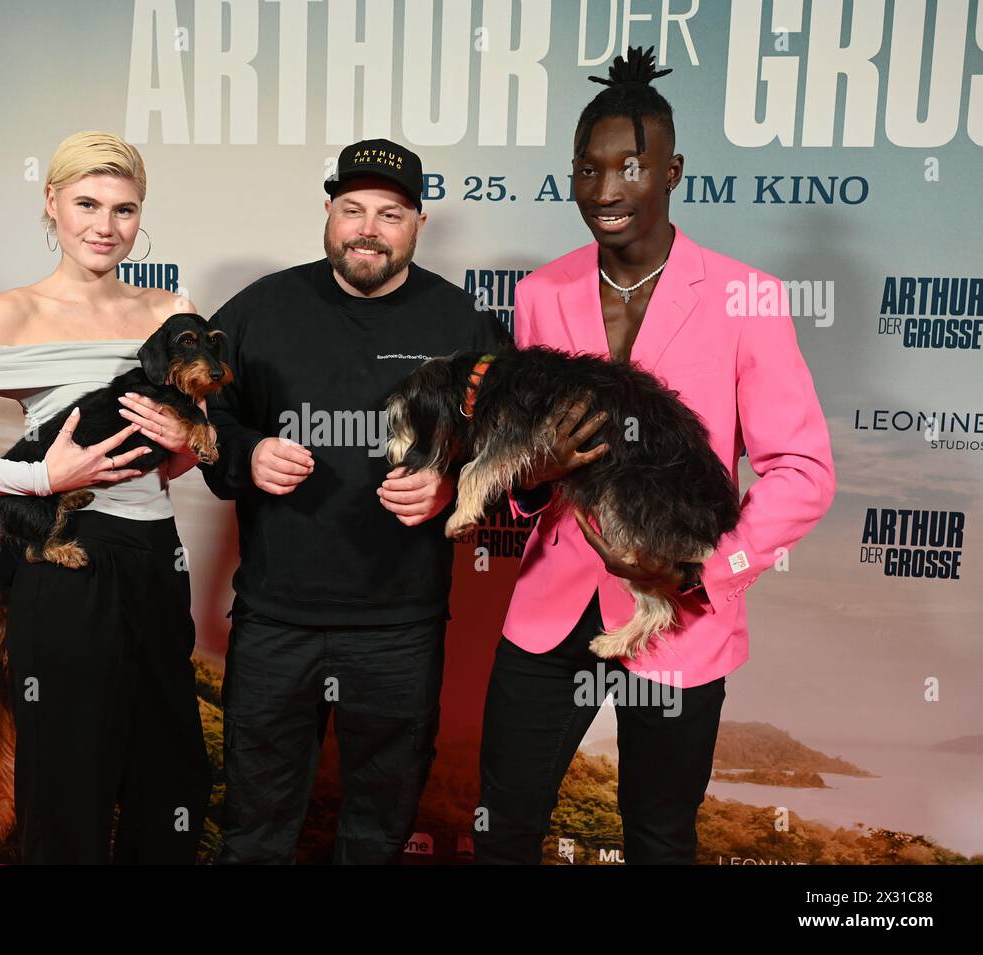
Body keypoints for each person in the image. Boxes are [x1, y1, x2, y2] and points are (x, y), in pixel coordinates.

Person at [472, 47, 837, 864]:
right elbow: (530, 467)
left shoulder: (749, 297)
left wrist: (707, 570)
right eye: (587, 169)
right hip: (551, 606)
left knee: (660, 835)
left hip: (680, 610)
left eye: (630, 166)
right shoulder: (541, 293)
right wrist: (529, 480)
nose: (605, 190)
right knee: (503, 821)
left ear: (671, 170)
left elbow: (803, 470)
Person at [0, 131, 212, 864]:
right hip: (64, 566)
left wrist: (181, 442)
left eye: (125, 209)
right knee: (67, 788)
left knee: (173, 782)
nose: (105, 226)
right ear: (52, 204)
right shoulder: (10, 315)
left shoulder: (173, 309)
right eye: (87, 204)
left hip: (155, 558)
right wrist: (43, 478)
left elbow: (182, 460)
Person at [200, 138, 511, 864]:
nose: (368, 228)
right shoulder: (257, 310)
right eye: (353, 209)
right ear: (329, 213)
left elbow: (514, 445)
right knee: (252, 833)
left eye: (391, 213)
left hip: (399, 629)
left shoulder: (461, 322)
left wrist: (451, 481)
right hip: (276, 621)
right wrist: (247, 453)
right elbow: (202, 418)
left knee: (377, 835)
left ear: (419, 225)